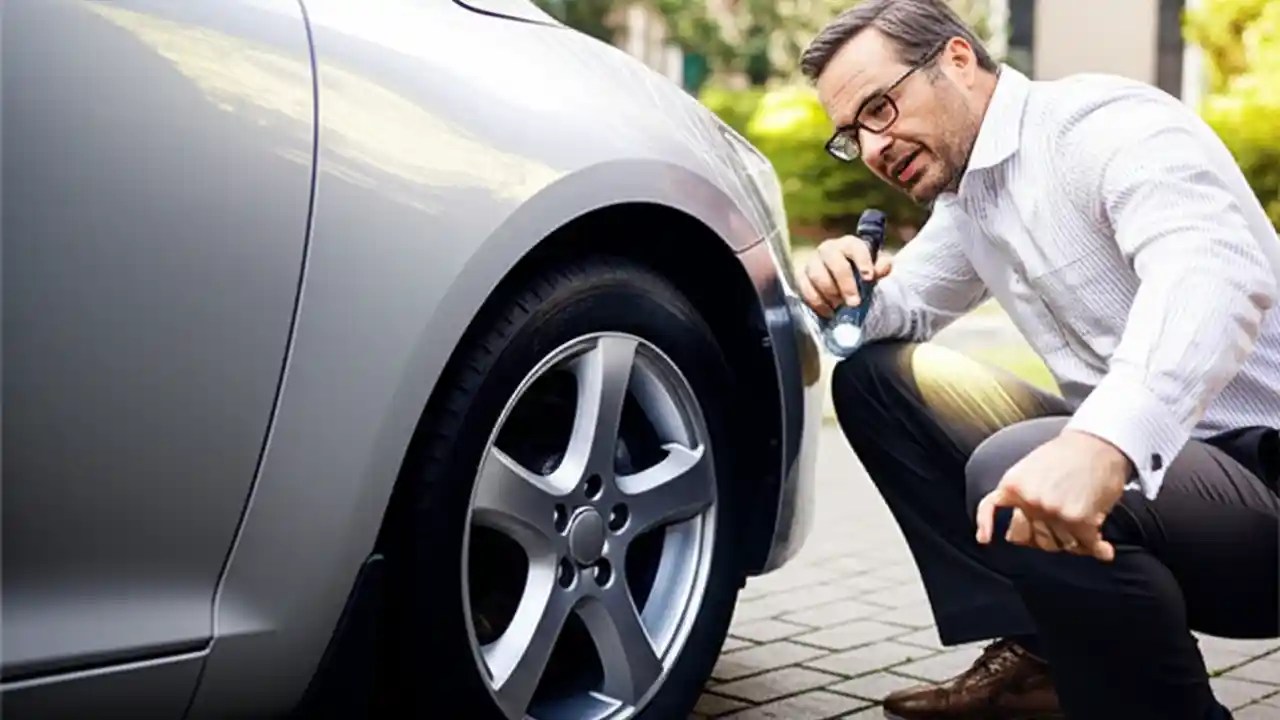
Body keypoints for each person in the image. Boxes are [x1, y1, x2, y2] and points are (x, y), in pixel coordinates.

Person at [794, 1, 1280, 719]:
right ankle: (1043, 654)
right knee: (876, 381)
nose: (872, 147)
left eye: (880, 108)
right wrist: (842, 290)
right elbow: (898, 312)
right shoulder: (971, 197)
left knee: (1015, 466)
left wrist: (1103, 443)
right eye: (852, 134)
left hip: (1263, 484)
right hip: (1167, 483)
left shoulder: (1106, 127)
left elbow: (1214, 274)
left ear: (958, 59)